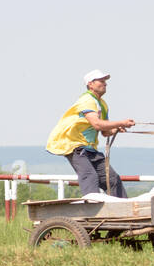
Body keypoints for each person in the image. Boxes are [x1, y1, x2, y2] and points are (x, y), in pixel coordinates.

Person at [45, 69, 136, 202]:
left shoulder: (102, 104)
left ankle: (124, 209)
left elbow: (105, 132)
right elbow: (97, 124)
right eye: (101, 81)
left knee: (112, 179)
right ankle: (91, 211)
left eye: (105, 81)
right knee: (89, 176)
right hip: (74, 145)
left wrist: (116, 128)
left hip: (90, 148)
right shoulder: (87, 100)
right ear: (90, 84)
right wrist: (121, 122)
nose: (105, 84)